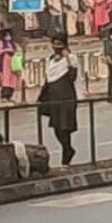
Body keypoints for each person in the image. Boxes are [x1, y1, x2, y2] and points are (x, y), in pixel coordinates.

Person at [38, 33, 79, 166]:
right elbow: (48, 79)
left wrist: (67, 59)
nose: (57, 47)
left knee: (65, 127)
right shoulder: (51, 59)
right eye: (54, 44)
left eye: (59, 44)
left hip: (66, 97)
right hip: (53, 98)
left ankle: (66, 156)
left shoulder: (71, 58)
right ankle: (68, 149)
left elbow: (72, 77)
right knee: (56, 128)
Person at [0, 29, 21, 103]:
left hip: (13, 63)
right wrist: (5, 50)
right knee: (5, 80)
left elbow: (18, 50)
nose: (8, 36)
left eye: (9, 35)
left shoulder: (14, 43)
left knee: (12, 80)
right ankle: (4, 97)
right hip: (4, 63)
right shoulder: (0, 43)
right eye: (6, 35)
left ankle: (9, 96)